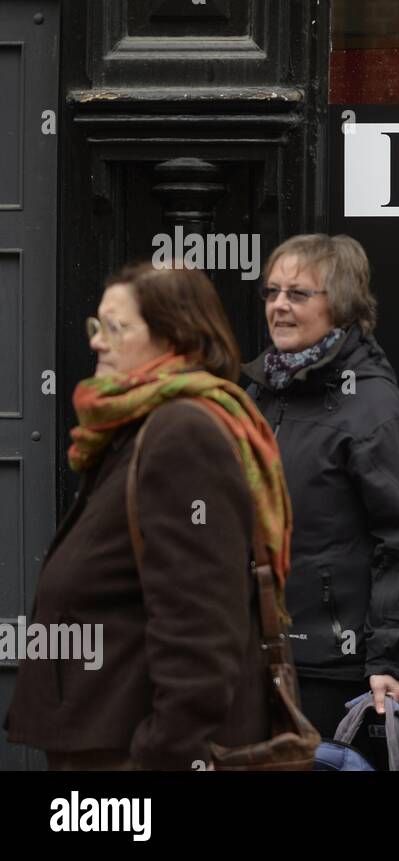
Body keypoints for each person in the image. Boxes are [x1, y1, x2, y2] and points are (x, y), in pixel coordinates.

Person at [4, 263, 290, 769]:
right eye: (97, 325)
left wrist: (159, 754)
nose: (97, 341)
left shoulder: (183, 432)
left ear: (174, 336)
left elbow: (202, 626)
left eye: (116, 328)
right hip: (103, 738)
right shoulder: (141, 423)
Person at [243, 234, 399, 736]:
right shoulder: (259, 393)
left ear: (343, 304)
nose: (279, 305)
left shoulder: (376, 410)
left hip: (332, 672)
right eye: (272, 291)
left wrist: (388, 657)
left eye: (298, 294)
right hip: (249, 657)